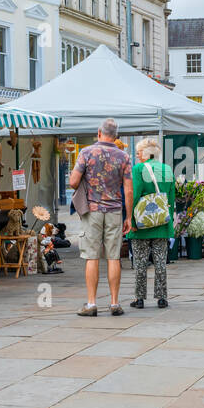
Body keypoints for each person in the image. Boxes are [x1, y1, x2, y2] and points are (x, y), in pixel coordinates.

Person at [68, 118, 133, 317]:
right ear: (116, 136)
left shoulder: (86, 153)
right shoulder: (124, 156)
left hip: (92, 211)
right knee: (113, 257)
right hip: (114, 211)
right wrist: (128, 216)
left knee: (92, 256)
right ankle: (114, 303)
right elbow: (129, 190)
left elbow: (73, 182)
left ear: (99, 132)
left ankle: (91, 304)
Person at [126, 137, 175, 310]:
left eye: (139, 152)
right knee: (161, 261)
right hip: (161, 221)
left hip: (142, 222)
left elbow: (134, 193)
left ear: (146, 153)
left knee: (140, 262)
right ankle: (162, 298)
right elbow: (171, 195)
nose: (137, 155)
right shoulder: (167, 169)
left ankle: (139, 298)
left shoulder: (138, 169)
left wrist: (130, 219)